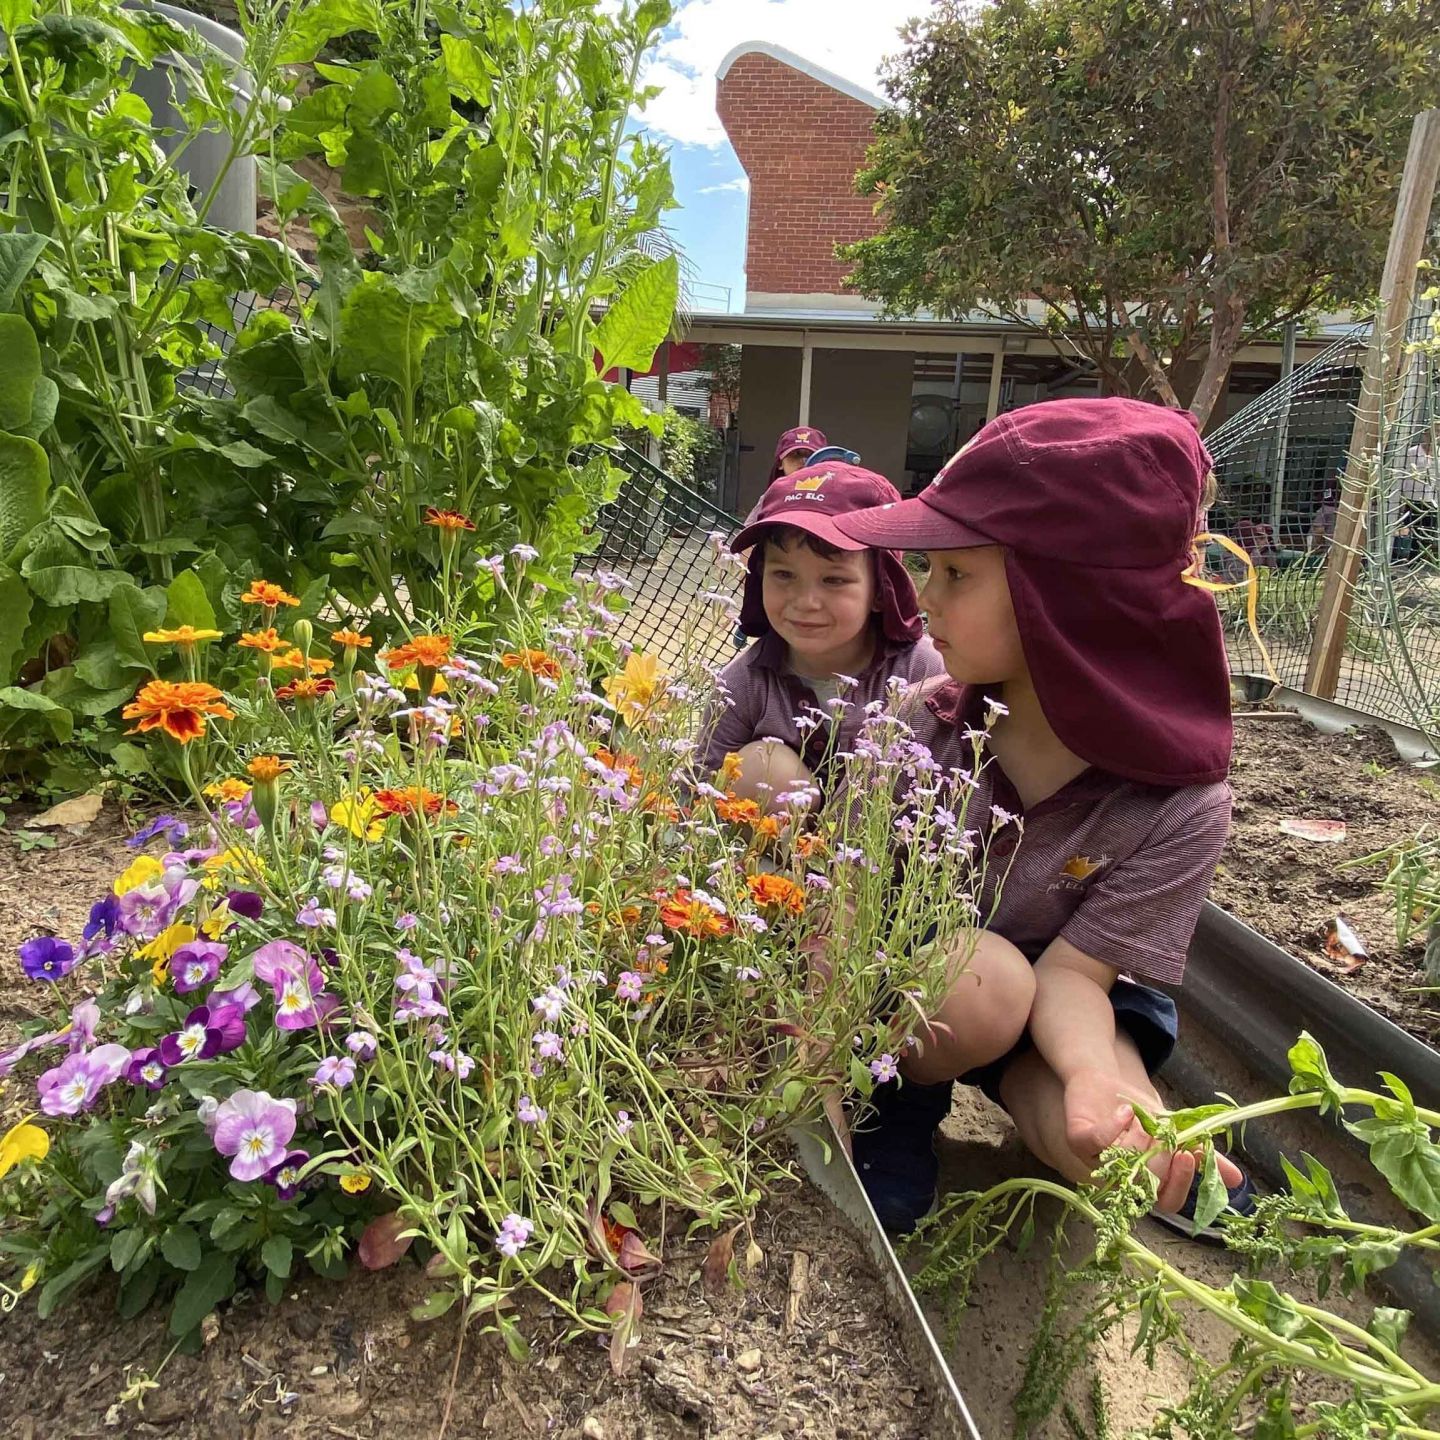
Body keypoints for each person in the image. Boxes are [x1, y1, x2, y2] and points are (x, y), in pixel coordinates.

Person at [831, 397, 1253, 1238]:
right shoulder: (922, 725)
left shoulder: (1178, 801)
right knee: (983, 980)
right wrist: (815, 1060)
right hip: (925, 985)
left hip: (1061, 992)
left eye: (957, 573)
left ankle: (1140, 1130)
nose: (926, 599)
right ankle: (895, 1102)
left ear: (1062, 599)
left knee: (1091, 1143)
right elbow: (843, 905)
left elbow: (1076, 976)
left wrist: (1101, 1076)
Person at [699, 462, 946, 806]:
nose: (805, 602)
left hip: (894, 848)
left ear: (881, 590)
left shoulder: (926, 673)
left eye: (834, 580)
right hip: (775, 854)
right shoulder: (741, 684)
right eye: (784, 575)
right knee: (760, 766)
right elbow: (699, 792)